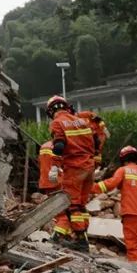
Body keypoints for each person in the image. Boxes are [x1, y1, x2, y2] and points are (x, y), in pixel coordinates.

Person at [47, 96, 98, 250]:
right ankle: (83, 236)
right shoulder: (82, 121)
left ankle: (81, 240)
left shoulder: (57, 123)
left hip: (75, 167)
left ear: (50, 111)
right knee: (81, 204)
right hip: (89, 166)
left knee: (72, 205)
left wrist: (55, 166)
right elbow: (96, 141)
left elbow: (59, 146)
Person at [93, 145, 137, 267]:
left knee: (134, 242)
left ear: (122, 159)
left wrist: (91, 188)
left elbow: (111, 184)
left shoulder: (123, 170)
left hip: (131, 212)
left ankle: (136, 269)